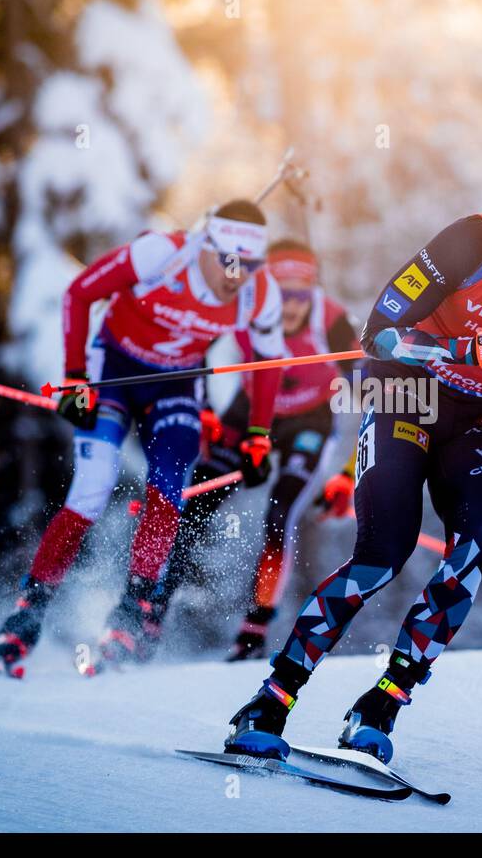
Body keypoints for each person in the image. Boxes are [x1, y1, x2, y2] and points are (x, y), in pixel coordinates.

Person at [223, 159, 482, 762]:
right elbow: (379, 331)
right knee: (384, 554)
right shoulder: (476, 240)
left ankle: (382, 706)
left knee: (473, 552)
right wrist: (474, 347)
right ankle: (272, 698)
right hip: (405, 390)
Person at [0, 201, 284, 676]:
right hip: (115, 372)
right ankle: (28, 611)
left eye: (249, 265)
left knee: (169, 483)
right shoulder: (160, 256)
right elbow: (80, 293)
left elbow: (269, 363)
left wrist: (257, 436)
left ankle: (132, 612)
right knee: (91, 488)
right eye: (229, 260)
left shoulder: (259, 293)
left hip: (177, 384)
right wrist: (73, 376)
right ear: (207, 247)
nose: (236, 276)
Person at [126, 238, 363, 663]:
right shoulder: (242, 307)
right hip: (250, 415)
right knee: (193, 501)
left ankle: (253, 634)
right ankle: (149, 614)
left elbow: (378, 399)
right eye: (281, 293)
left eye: (300, 295)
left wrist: (349, 474)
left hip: (309, 424)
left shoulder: (333, 322)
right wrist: (205, 412)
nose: (290, 307)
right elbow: (191, 354)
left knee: (280, 512)